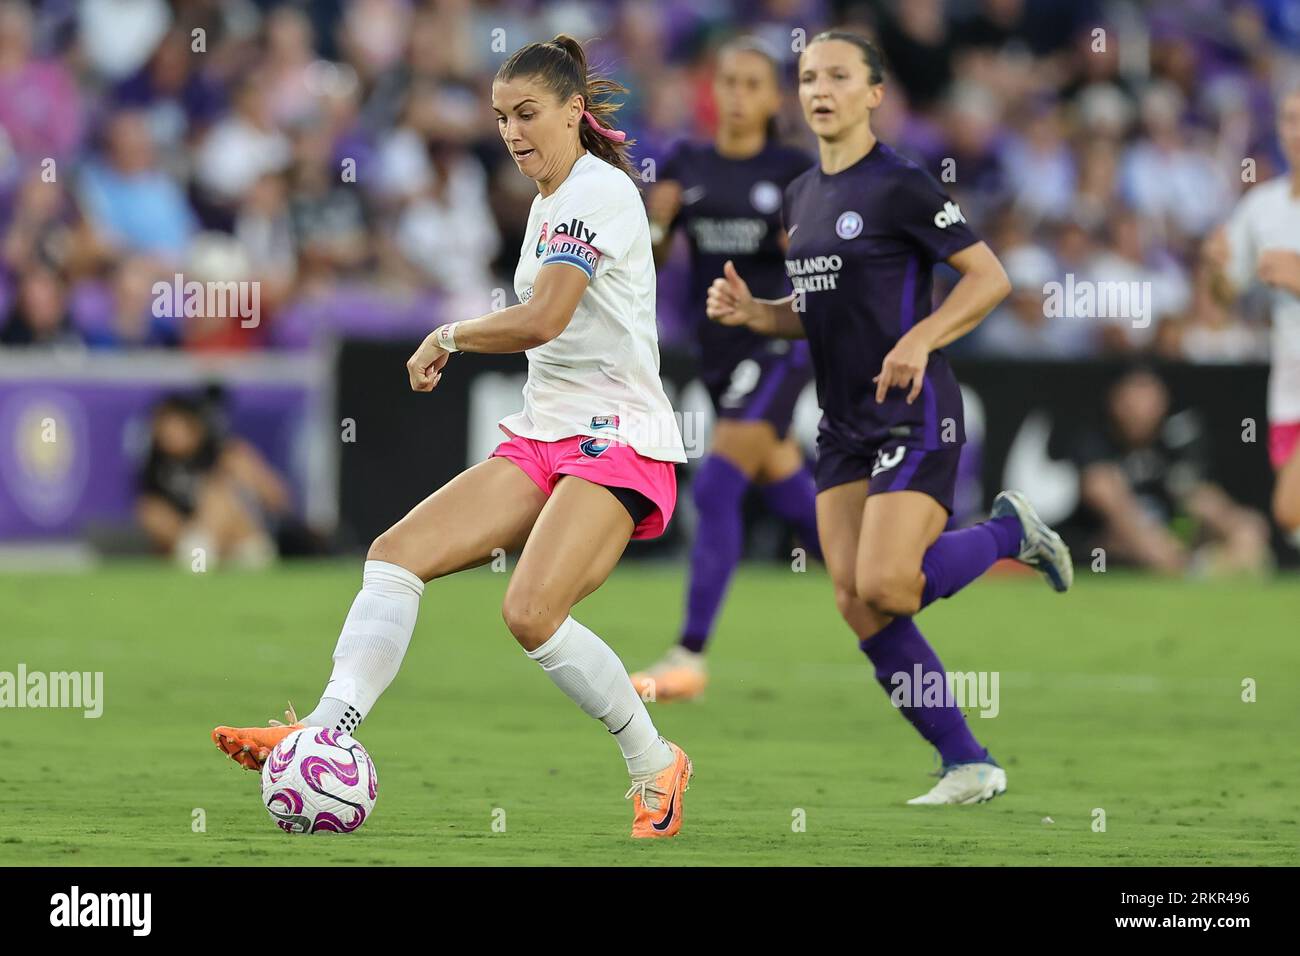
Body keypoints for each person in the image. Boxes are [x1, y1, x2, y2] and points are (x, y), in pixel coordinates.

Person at [212, 36, 694, 838]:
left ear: (575, 112)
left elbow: (543, 318)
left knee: (531, 613)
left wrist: (450, 334)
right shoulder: (547, 204)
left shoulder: (598, 194)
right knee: (395, 555)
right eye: (502, 116)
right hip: (546, 434)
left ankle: (657, 767)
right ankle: (325, 730)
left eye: (528, 113)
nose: (511, 131)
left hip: (620, 439)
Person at [706, 31, 1072, 805]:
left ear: (875, 94)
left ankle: (1011, 532)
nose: (819, 90)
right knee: (854, 599)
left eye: (839, 76)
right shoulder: (803, 198)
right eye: (808, 77)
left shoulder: (900, 185)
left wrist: (919, 336)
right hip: (842, 425)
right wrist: (756, 313)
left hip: (913, 411)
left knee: (888, 585)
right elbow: (817, 314)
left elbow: (989, 278)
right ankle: (968, 763)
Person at [630, 38, 816, 702]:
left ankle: (690, 654)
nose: (736, 96)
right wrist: (656, 223)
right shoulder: (687, 162)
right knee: (798, 498)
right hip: (718, 355)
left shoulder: (794, 169)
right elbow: (648, 261)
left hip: (778, 347)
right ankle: (905, 575)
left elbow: (817, 272)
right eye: (727, 82)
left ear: (773, 98)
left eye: (750, 84)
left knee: (713, 489)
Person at [1204, 87, 1300, 550]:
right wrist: (1215, 267)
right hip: (1288, 388)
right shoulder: (1263, 206)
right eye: (1289, 119)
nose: (1296, 131)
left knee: (1289, 507)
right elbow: (1226, 294)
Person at [1071, 367, 1271, 575]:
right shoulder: (1096, 441)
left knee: (1247, 528)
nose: (1141, 410)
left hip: (1174, 541)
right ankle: (1198, 570)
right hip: (1112, 547)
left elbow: (1199, 495)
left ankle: (1205, 570)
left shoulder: (1174, 442)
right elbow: (1101, 492)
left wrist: (1236, 524)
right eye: (1133, 402)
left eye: (1149, 400)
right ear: (1117, 403)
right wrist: (1151, 541)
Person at [136, 392, 289, 568]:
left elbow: (280, 500)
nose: (169, 434)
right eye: (163, 427)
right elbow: (154, 516)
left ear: (194, 425)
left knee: (216, 495)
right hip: (190, 540)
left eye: (176, 426)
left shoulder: (225, 453)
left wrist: (253, 479)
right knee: (151, 510)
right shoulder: (156, 466)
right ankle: (198, 555)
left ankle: (201, 556)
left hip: (243, 540)